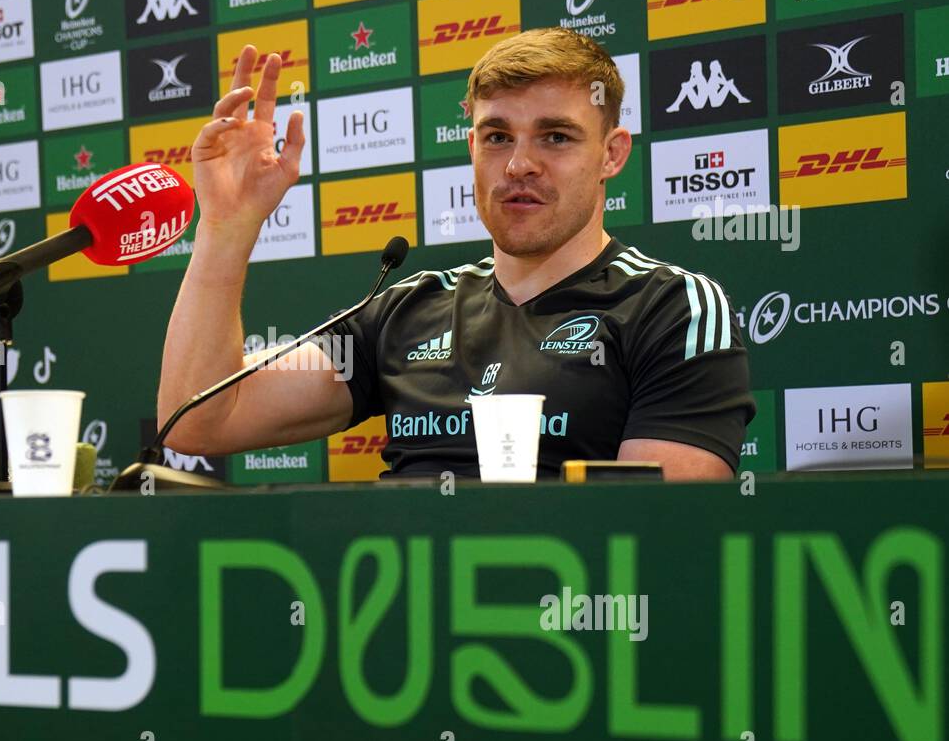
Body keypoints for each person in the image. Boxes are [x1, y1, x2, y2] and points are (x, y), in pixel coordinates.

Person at [157, 28, 754, 481]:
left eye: (556, 136)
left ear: (612, 154)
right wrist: (227, 225)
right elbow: (199, 419)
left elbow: (658, 532)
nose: (519, 165)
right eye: (497, 137)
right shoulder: (404, 311)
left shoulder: (671, 308)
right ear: (471, 148)